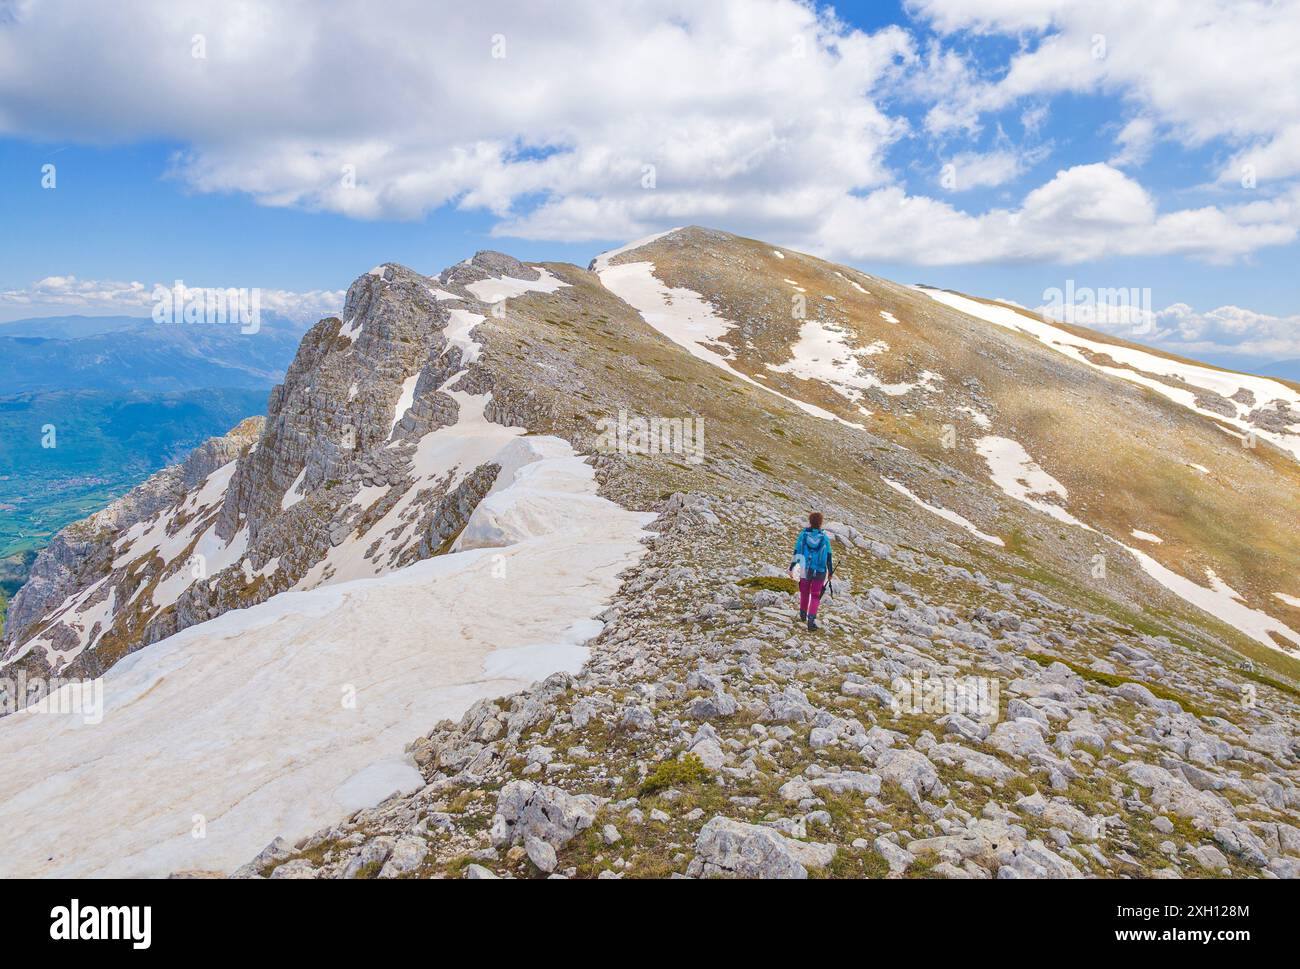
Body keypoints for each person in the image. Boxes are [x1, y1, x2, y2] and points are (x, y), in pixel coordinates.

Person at [790, 511, 833, 631]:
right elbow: (829, 555)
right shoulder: (824, 537)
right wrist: (830, 572)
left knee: (804, 591)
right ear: (820, 523)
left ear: (810, 521)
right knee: (815, 595)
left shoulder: (803, 535)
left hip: (805, 567)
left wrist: (791, 567)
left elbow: (797, 551)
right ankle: (811, 620)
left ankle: (803, 614)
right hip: (819, 570)